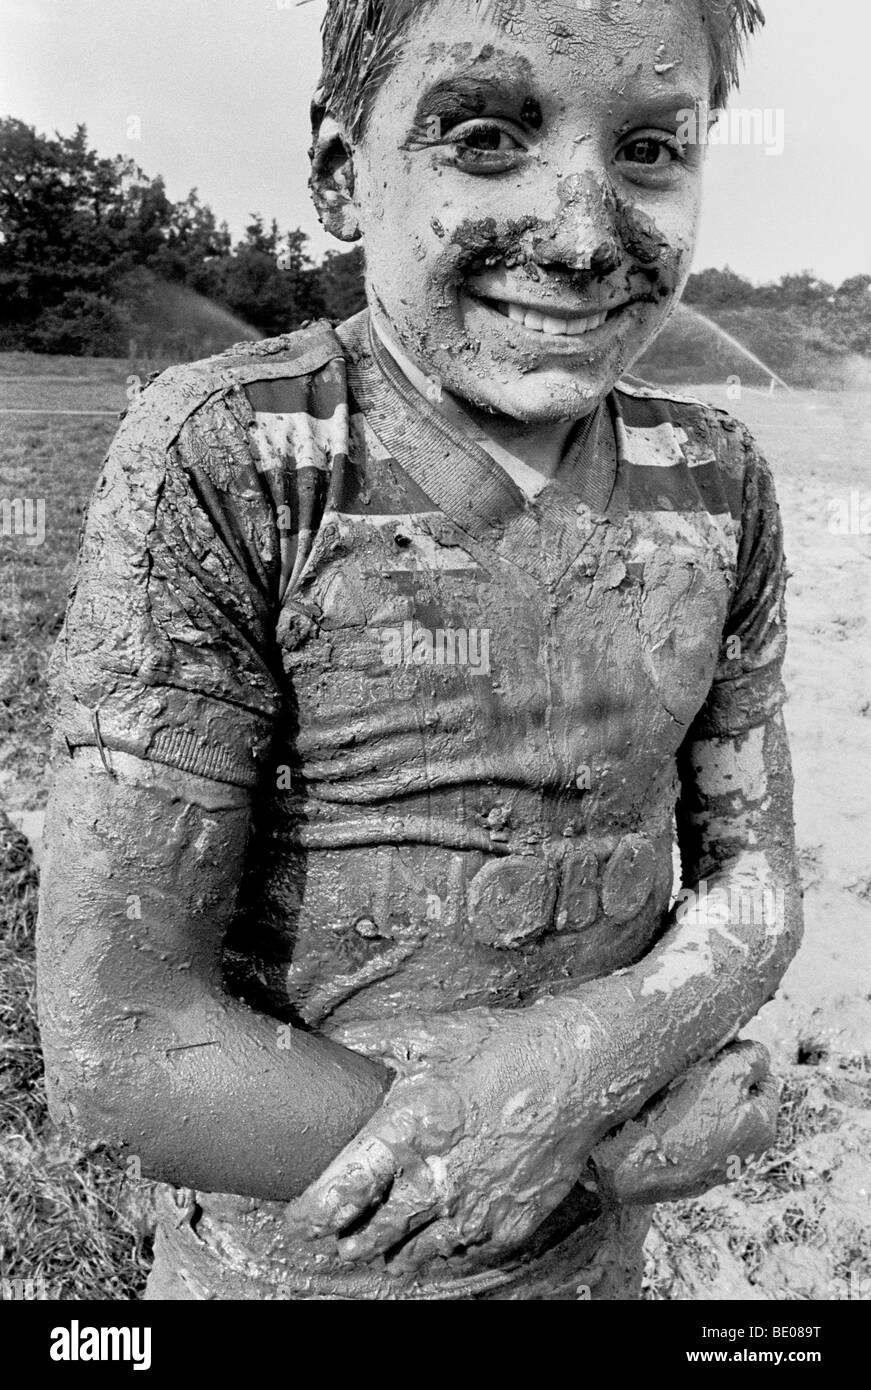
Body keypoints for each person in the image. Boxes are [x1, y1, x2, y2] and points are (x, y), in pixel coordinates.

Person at [37, 0, 801, 1300]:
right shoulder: (236, 462)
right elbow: (122, 1049)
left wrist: (580, 1056)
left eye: (650, 149)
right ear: (343, 172)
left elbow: (757, 886)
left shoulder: (715, 480)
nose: (580, 237)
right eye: (486, 136)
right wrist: (592, 1154)